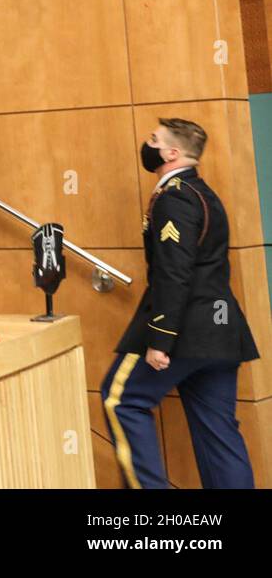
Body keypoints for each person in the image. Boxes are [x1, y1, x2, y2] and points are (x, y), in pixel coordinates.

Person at [101, 118, 259, 487]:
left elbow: (174, 271)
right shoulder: (203, 192)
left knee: (121, 399)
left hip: (185, 330)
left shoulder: (175, 198)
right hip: (221, 334)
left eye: (154, 140)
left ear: (171, 153)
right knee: (218, 432)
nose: (147, 143)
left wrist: (160, 339)